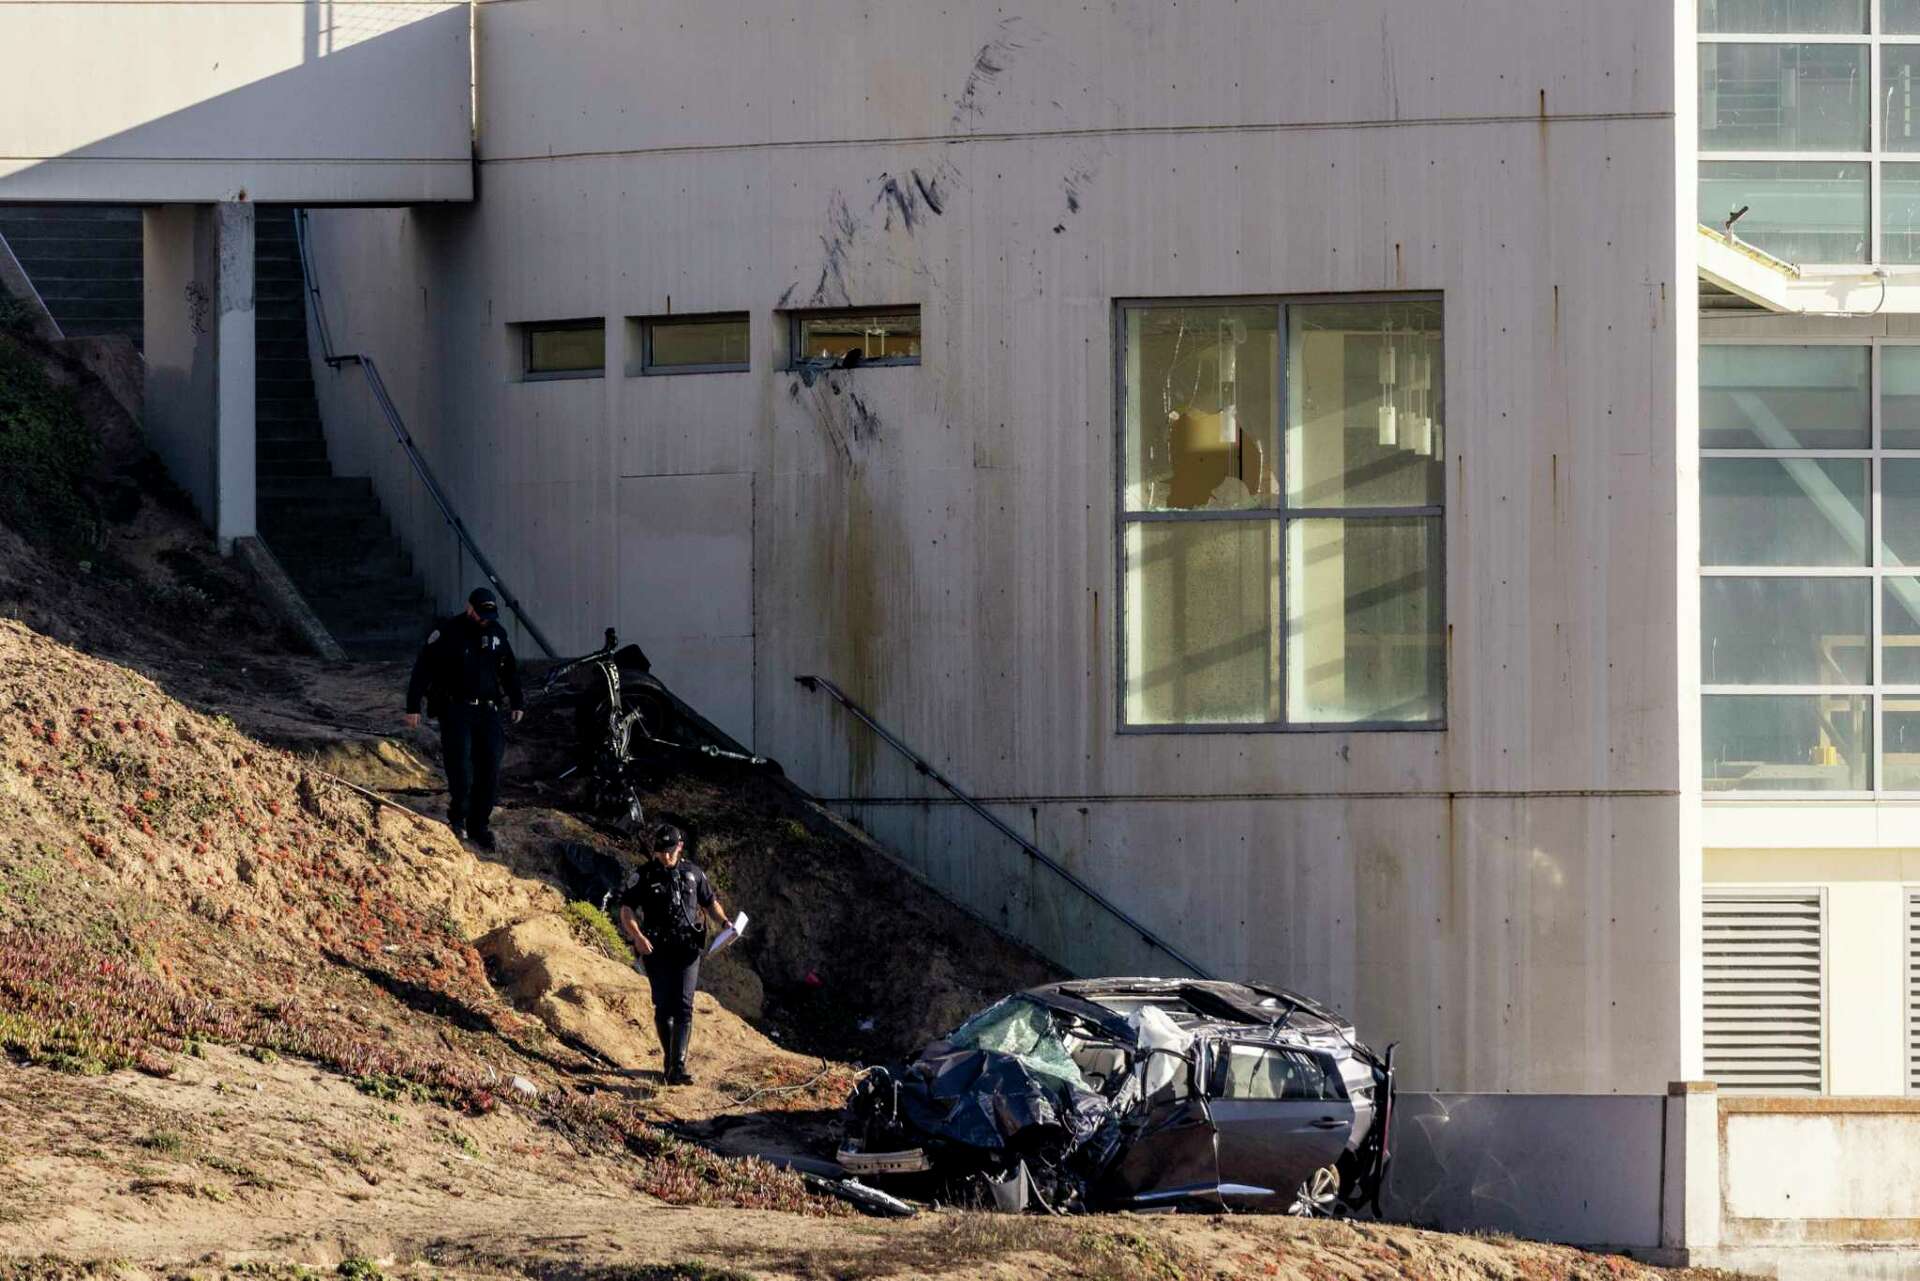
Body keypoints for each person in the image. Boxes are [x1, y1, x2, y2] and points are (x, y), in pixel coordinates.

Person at [404, 587, 525, 852]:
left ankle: (479, 825)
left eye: (488, 616)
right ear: (469, 608)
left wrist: (517, 700)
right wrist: (413, 705)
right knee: (461, 768)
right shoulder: (448, 632)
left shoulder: (497, 633)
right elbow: (423, 668)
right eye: (480, 614)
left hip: (488, 710)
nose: (484, 620)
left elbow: (509, 670)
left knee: (490, 768)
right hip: (456, 709)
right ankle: (458, 818)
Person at [617, 821, 730, 1085]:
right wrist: (637, 936)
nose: (665, 856)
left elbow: (710, 902)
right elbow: (626, 909)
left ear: (680, 847)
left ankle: (678, 1067)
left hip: (687, 948)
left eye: (669, 851)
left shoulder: (693, 873)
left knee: (684, 1004)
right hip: (656, 948)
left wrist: (726, 923)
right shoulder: (644, 875)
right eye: (660, 851)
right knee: (663, 1005)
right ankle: (669, 1061)